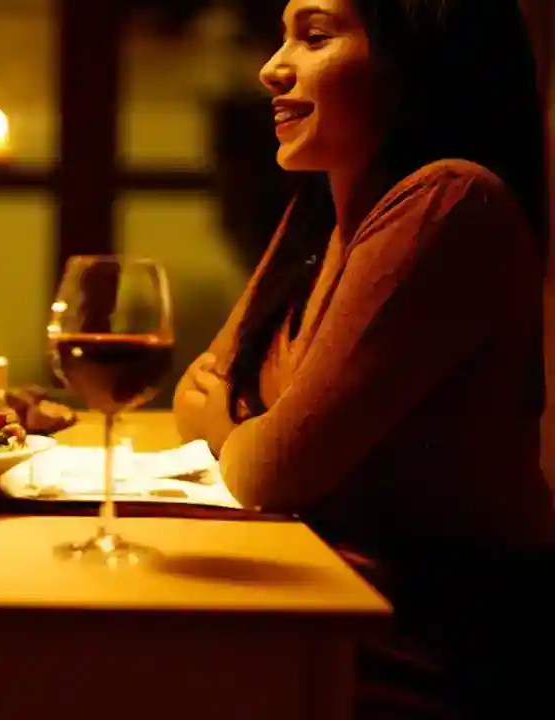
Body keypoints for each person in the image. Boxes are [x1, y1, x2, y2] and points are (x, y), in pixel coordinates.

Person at [174, 0, 554, 715]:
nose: (271, 69)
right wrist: (249, 427)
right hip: (323, 607)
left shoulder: (448, 203)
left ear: (414, 59)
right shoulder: (320, 211)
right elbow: (188, 402)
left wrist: (241, 428)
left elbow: (267, 467)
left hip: (435, 647)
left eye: (314, 37)